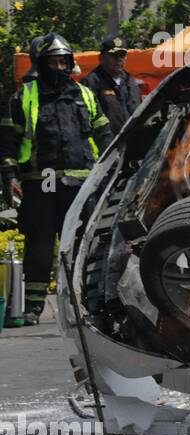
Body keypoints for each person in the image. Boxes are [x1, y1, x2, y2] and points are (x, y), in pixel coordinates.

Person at [0, 33, 111, 323]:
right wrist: (10, 175)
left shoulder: (84, 94)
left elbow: (106, 135)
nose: (60, 68)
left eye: (64, 62)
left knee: (82, 246)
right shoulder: (23, 97)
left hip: (81, 184)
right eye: (54, 62)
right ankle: (34, 307)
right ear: (40, 64)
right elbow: (8, 143)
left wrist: (113, 169)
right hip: (41, 184)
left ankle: (85, 305)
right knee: (40, 245)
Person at [81, 35, 142, 137]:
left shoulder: (131, 82)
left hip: (132, 144)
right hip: (107, 147)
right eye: (114, 55)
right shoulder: (90, 83)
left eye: (122, 55)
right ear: (101, 58)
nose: (118, 59)